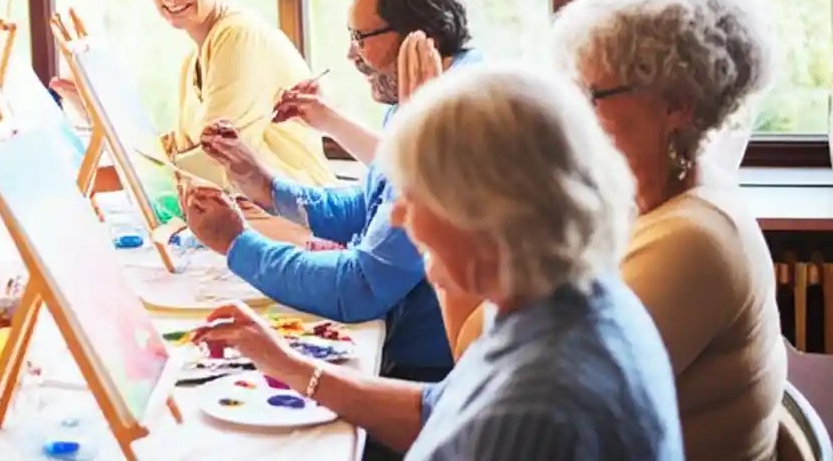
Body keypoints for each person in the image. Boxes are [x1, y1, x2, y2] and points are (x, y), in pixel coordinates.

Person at [187, 65, 683, 461]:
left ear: (488, 214)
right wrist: (288, 366)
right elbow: (436, 410)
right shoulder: (555, 300)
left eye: (416, 196)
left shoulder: (535, 411)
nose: (399, 216)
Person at [182, 0, 479, 382]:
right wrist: (264, 185)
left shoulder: (450, 122)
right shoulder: (418, 99)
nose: (350, 55)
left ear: (420, 37)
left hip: (428, 375)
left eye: (361, 37)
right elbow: (369, 206)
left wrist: (237, 243)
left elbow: (361, 286)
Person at [548, 0, 783, 461]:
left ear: (676, 105)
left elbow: (526, 403)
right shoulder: (642, 199)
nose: (572, 109)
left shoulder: (693, 240)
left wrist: (450, 201)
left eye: (592, 94)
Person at [50, 0, 334, 187]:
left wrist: (99, 182)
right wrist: (97, 113)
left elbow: (218, 159)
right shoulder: (192, 62)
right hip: (248, 212)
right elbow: (177, 149)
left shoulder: (238, 34)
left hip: (297, 213)